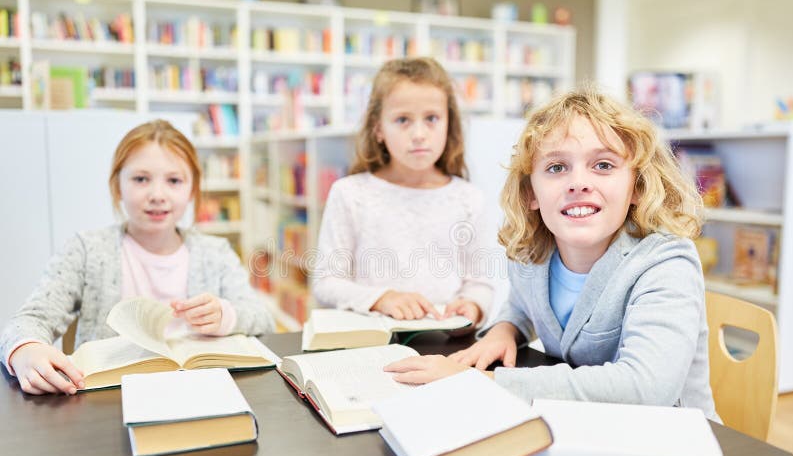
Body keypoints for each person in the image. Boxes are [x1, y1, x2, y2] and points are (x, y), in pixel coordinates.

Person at [385, 87, 719, 420]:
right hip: (584, 426)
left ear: (638, 187)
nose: (578, 183)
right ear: (531, 193)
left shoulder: (666, 262)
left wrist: (479, 382)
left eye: (603, 165)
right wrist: (506, 329)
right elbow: (522, 305)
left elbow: (646, 388)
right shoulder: (534, 254)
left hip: (669, 438)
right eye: (557, 168)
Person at [1, 119, 274, 395]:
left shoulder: (216, 253)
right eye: (141, 179)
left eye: (174, 181)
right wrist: (26, 348)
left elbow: (262, 318)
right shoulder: (86, 250)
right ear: (118, 186)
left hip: (203, 390)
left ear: (192, 189)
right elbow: (29, 320)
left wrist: (226, 316)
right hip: (109, 398)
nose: (157, 195)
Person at [312, 57, 493, 325]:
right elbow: (326, 283)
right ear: (378, 129)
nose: (419, 134)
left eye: (432, 118)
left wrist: (473, 306)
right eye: (402, 120)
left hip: (445, 339)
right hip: (371, 338)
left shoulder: (469, 199)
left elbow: (480, 284)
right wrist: (382, 298)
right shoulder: (350, 194)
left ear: (449, 124)